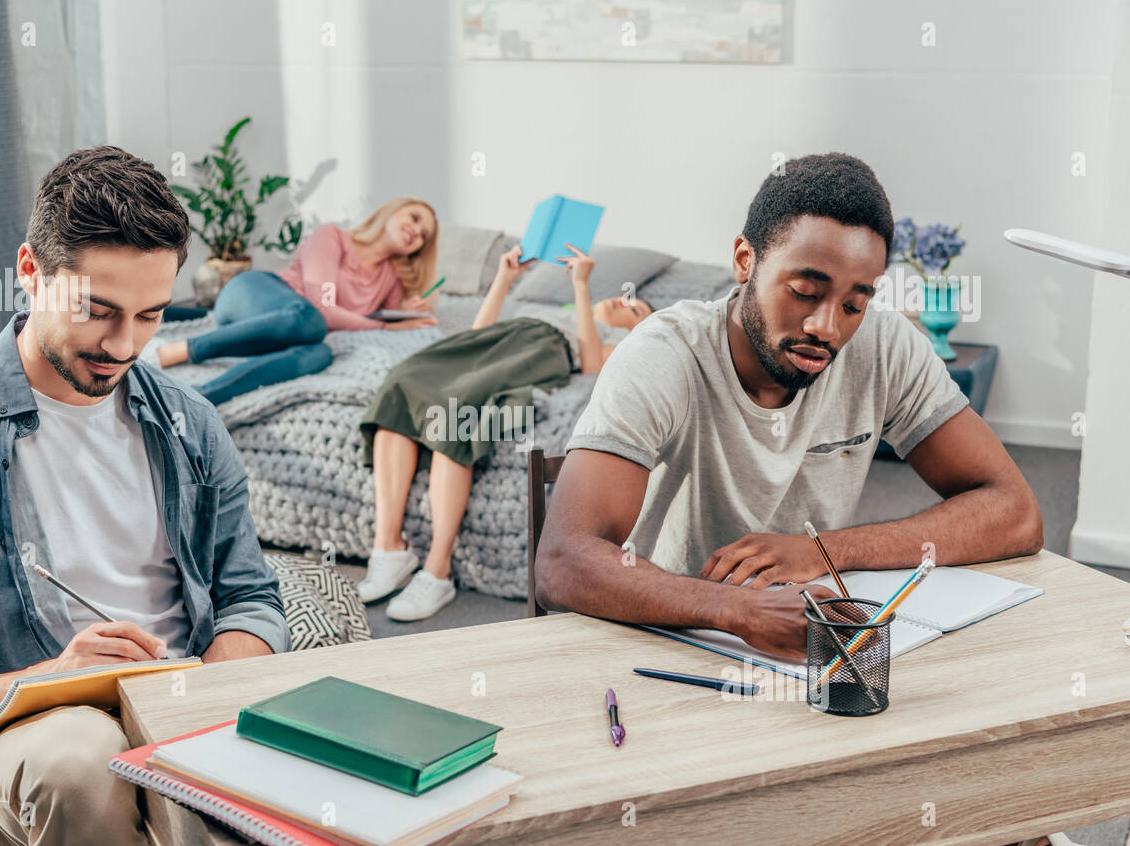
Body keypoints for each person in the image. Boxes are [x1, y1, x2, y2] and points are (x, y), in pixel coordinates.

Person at [0, 145, 290, 846]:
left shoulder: (191, 423)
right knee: (82, 762)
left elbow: (248, 595)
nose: (124, 345)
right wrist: (54, 675)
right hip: (32, 733)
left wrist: (210, 691)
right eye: (97, 310)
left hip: (180, 700)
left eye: (151, 315)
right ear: (30, 272)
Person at [535, 152, 1045, 660]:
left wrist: (824, 551)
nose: (826, 327)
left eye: (853, 304)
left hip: (801, 640)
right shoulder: (664, 355)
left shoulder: (886, 345)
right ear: (744, 261)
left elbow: (1016, 513)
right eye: (804, 292)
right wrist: (739, 610)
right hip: (664, 641)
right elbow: (563, 560)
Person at [357, 240, 654, 621]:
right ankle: (388, 548)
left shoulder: (615, 340)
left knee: (458, 409)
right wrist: (503, 279)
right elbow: (478, 334)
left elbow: (592, 366)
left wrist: (582, 287)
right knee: (400, 386)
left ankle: (437, 570)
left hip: (538, 348)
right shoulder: (548, 309)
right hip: (492, 342)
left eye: (637, 310)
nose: (625, 302)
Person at [155, 198, 441, 404]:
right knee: (311, 320)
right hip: (254, 294)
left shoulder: (391, 277)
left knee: (320, 354)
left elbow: (382, 317)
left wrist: (406, 313)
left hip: (286, 334)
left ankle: (202, 397)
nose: (416, 232)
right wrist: (382, 327)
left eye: (423, 236)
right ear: (393, 210)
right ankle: (179, 350)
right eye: (415, 218)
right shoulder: (333, 237)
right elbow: (325, 308)